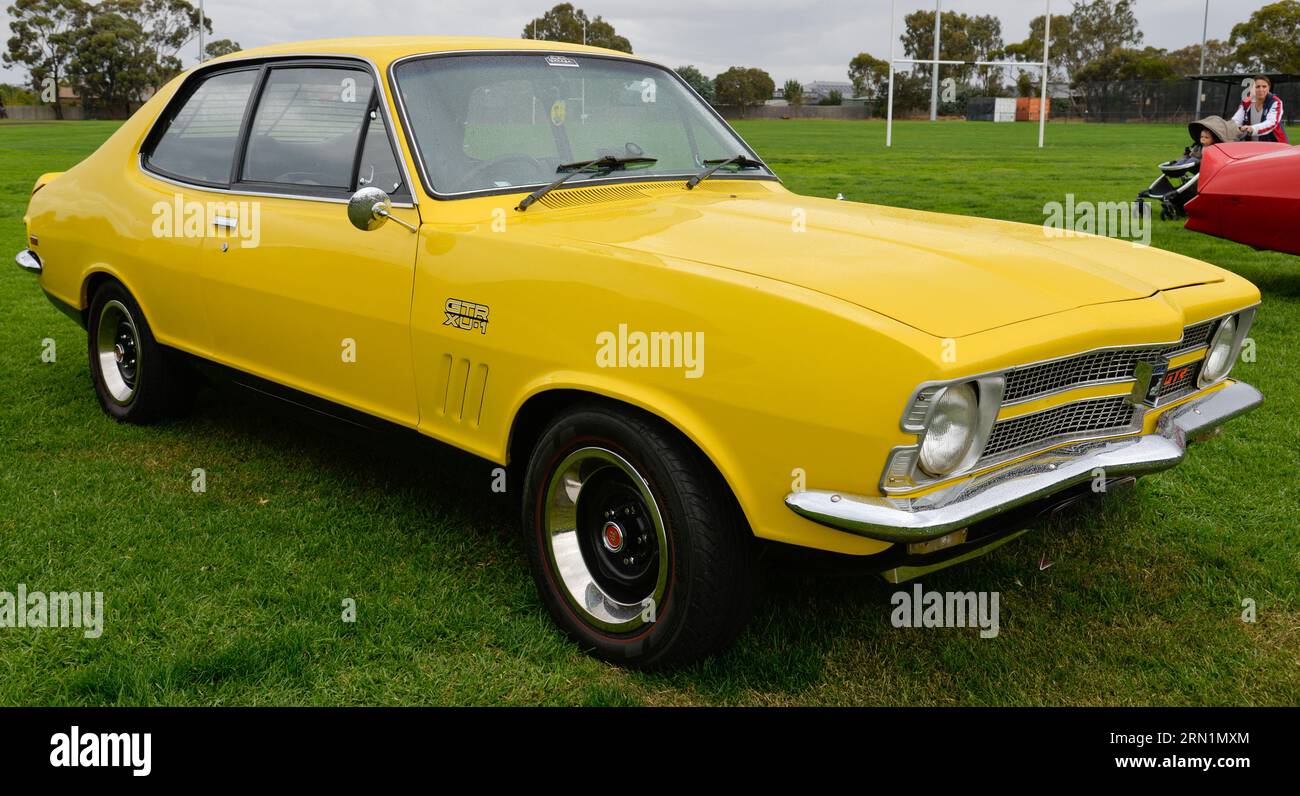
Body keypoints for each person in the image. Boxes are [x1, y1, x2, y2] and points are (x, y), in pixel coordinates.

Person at [1231, 75, 1289, 144]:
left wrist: (1252, 129)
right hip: (1252, 145)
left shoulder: (1275, 102)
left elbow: (1271, 123)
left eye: (1264, 86)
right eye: (1257, 87)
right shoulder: (1246, 102)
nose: (1261, 89)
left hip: (1275, 144)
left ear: (1269, 88)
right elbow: (1236, 121)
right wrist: (1237, 128)